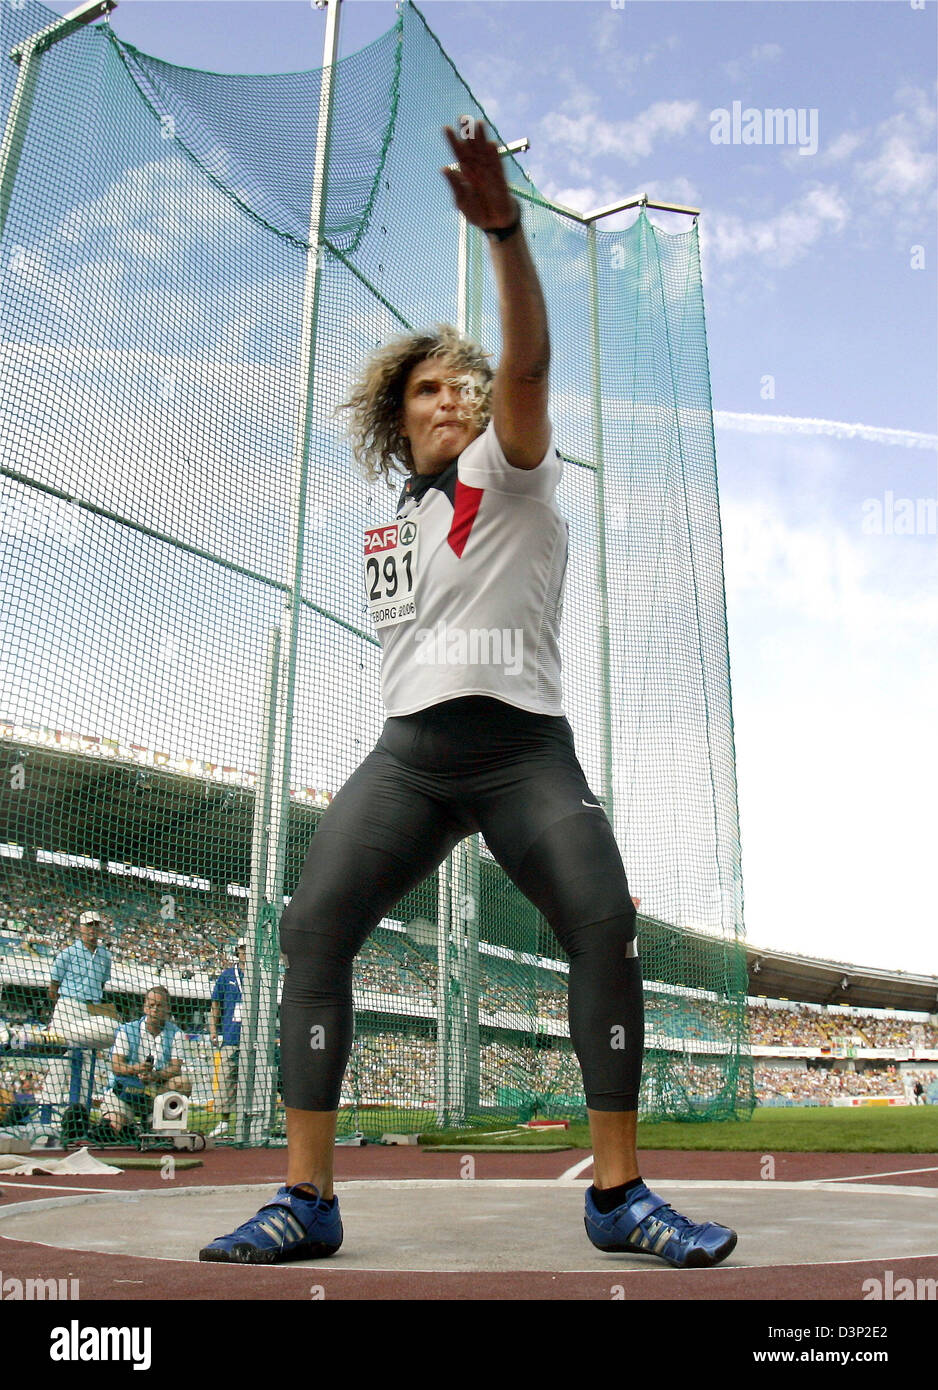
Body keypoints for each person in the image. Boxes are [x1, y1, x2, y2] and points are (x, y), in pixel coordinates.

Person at [200, 120, 737, 1269]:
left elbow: (531, 365)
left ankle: (617, 1194)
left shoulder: (513, 466)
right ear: (401, 413)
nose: (455, 401)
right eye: (433, 389)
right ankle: (306, 1197)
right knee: (312, 924)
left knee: (603, 921)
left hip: (524, 753)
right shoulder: (385, 524)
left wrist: (501, 233)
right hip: (409, 756)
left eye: (468, 387)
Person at [100, 986, 190, 1134]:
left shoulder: (176, 1034)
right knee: (112, 1129)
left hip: (155, 1092)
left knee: (183, 1083)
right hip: (125, 1090)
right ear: (145, 1008)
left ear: (167, 1009)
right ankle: (126, 1124)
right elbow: (116, 1066)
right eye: (151, 1005)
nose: (154, 1009)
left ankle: (155, 1119)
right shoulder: (126, 1030)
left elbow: (176, 1069)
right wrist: (138, 1069)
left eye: (159, 1006)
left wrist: (155, 1075)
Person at [208, 939, 245, 1136]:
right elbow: (216, 1005)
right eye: (242, 948)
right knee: (225, 1079)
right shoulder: (227, 975)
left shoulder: (262, 975)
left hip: (256, 1038)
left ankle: (249, 1122)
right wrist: (213, 1029)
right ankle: (224, 1121)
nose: (245, 952)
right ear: (237, 951)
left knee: (256, 1081)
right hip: (231, 1036)